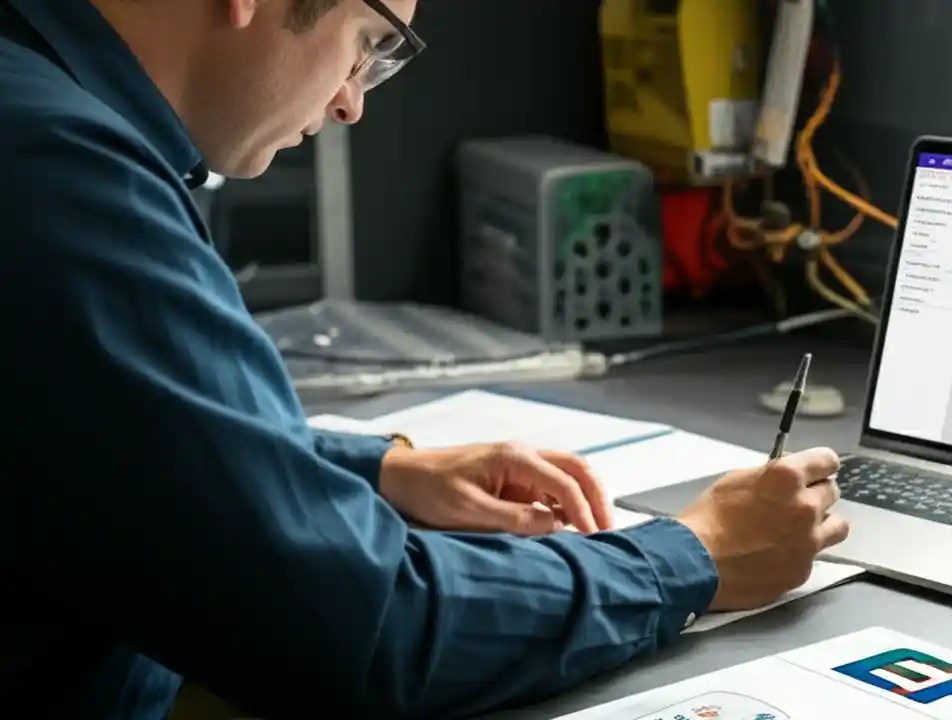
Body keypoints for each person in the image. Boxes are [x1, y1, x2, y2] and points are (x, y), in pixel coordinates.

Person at [0, 0, 851, 717]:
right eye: (368, 44)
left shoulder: (33, 102)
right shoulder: (64, 177)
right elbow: (358, 626)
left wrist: (374, 472)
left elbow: (104, 430)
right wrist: (696, 555)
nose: (349, 104)